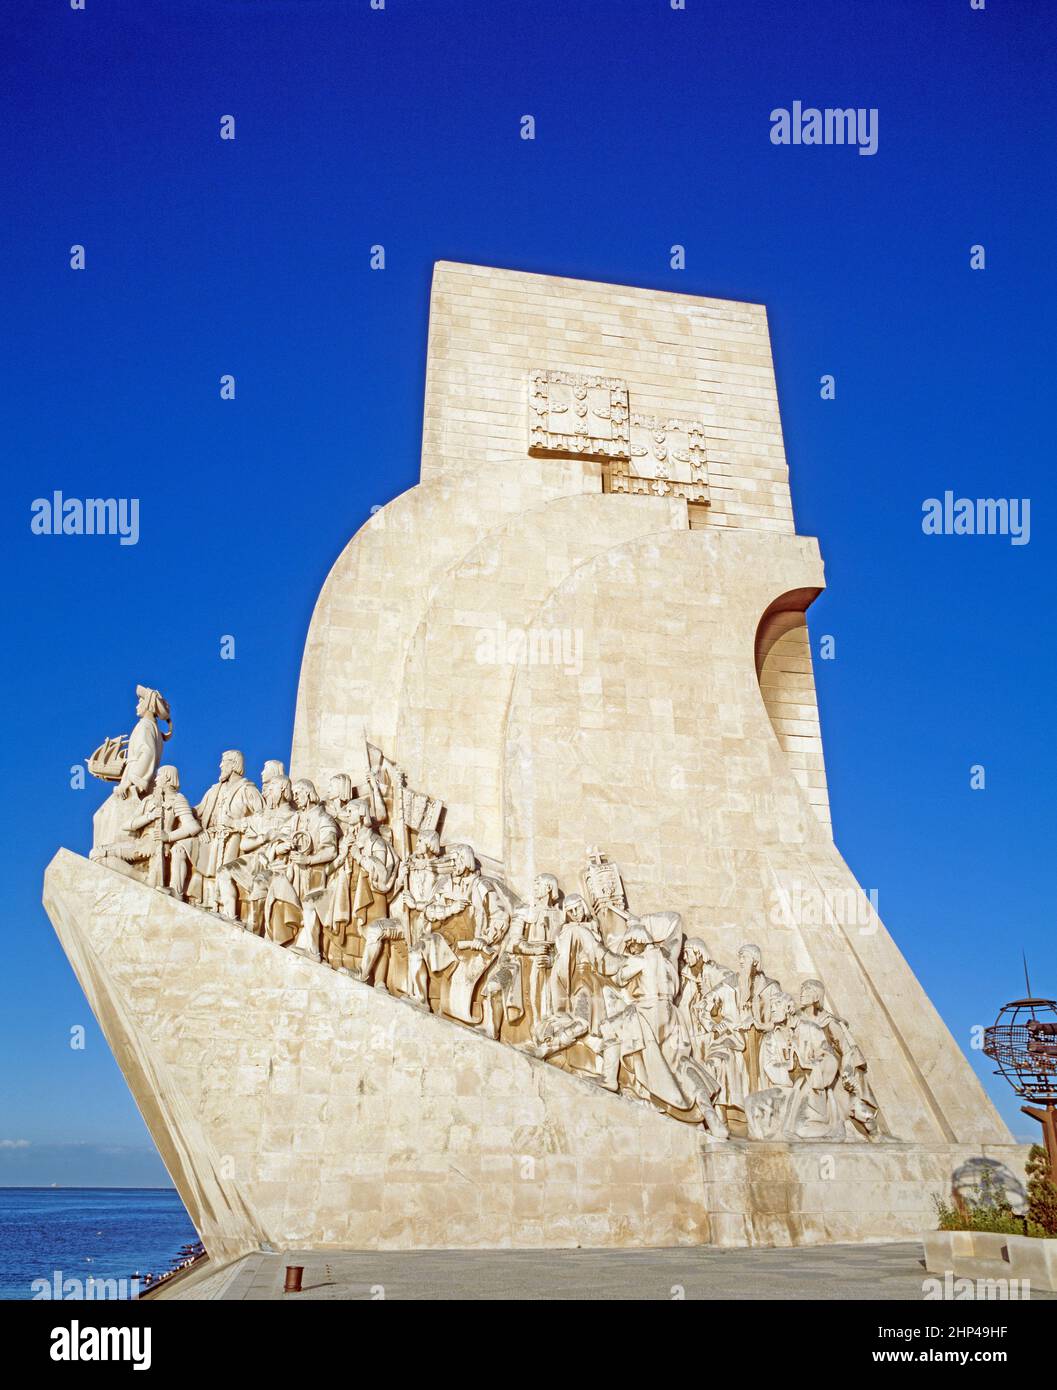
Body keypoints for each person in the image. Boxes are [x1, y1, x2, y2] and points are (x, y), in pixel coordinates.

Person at [170, 750, 263, 907]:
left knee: (223, 873)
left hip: (232, 838)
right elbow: (197, 811)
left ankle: (225, 908)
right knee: (179, 848)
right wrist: (175, 805)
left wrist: (237, 824)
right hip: (208, 837)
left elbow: (262, 817)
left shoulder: (247, 790)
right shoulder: (214, 790)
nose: (220, 765)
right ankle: (176, 892)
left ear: (233, 765)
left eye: (224, 762)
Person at [90, 765, 198, 889]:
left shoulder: (177, 799)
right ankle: (144, 879)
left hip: (157, 845)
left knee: (97, 854)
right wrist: (149, 816)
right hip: (140, 844)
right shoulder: (149, 800)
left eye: (159, 776)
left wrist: (168, 836)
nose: (156, 779)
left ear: (167, 778)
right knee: (96, 854)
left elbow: (192, 826)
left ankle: (149, 881)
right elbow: (127, 825)